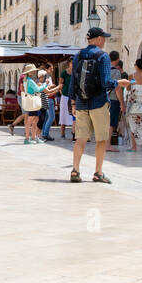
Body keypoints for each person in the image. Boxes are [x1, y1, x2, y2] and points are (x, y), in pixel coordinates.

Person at [70, 27, 113, 183]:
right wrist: (119, 82)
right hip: (99, 103)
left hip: (81, 103)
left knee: (80, 138)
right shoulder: (103, 56)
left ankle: (75, 170)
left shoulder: (77, 56)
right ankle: (98, 172)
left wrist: (73, 102)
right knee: (101, 139)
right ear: (99, 39)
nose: (105, 41)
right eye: (104, 38)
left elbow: (73, 81)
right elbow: (106, 82)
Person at [120, 58, 142, 152]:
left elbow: (129, 88)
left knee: (133, 125)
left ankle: (134, 146)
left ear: (136, 66)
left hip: (134, 104)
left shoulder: (132, 76)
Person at [106, 52, 124, 152]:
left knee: (104, 122)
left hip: (103, 99)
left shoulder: (103, 69)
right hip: (113, 99)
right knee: (111, 123)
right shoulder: (116, 72)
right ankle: (108, 144)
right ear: (117, 59)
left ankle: (103, 143)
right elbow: (117, 88)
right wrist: (122, 102)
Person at [20, 65, 42, 143]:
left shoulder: (26, 80)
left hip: (31, 101)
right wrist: (45, 84)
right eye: (32, 71)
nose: (34, 72)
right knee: (31, 121)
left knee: (35, 120)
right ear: (29, 72)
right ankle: (27, 139)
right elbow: (38, 89)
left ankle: (33, 137)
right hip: (33, 101)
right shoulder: (30, 80)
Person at [58, 61, 74, 139]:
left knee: (74, 115)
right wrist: (62, 93)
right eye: (72, 63)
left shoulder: (76, 72)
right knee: (63, 114)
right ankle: (62, 133)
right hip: (65, 96)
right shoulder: (64, 73)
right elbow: (60, 84)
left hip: (73, 96)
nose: (73, 64)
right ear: (69, 64)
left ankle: (74, 132)